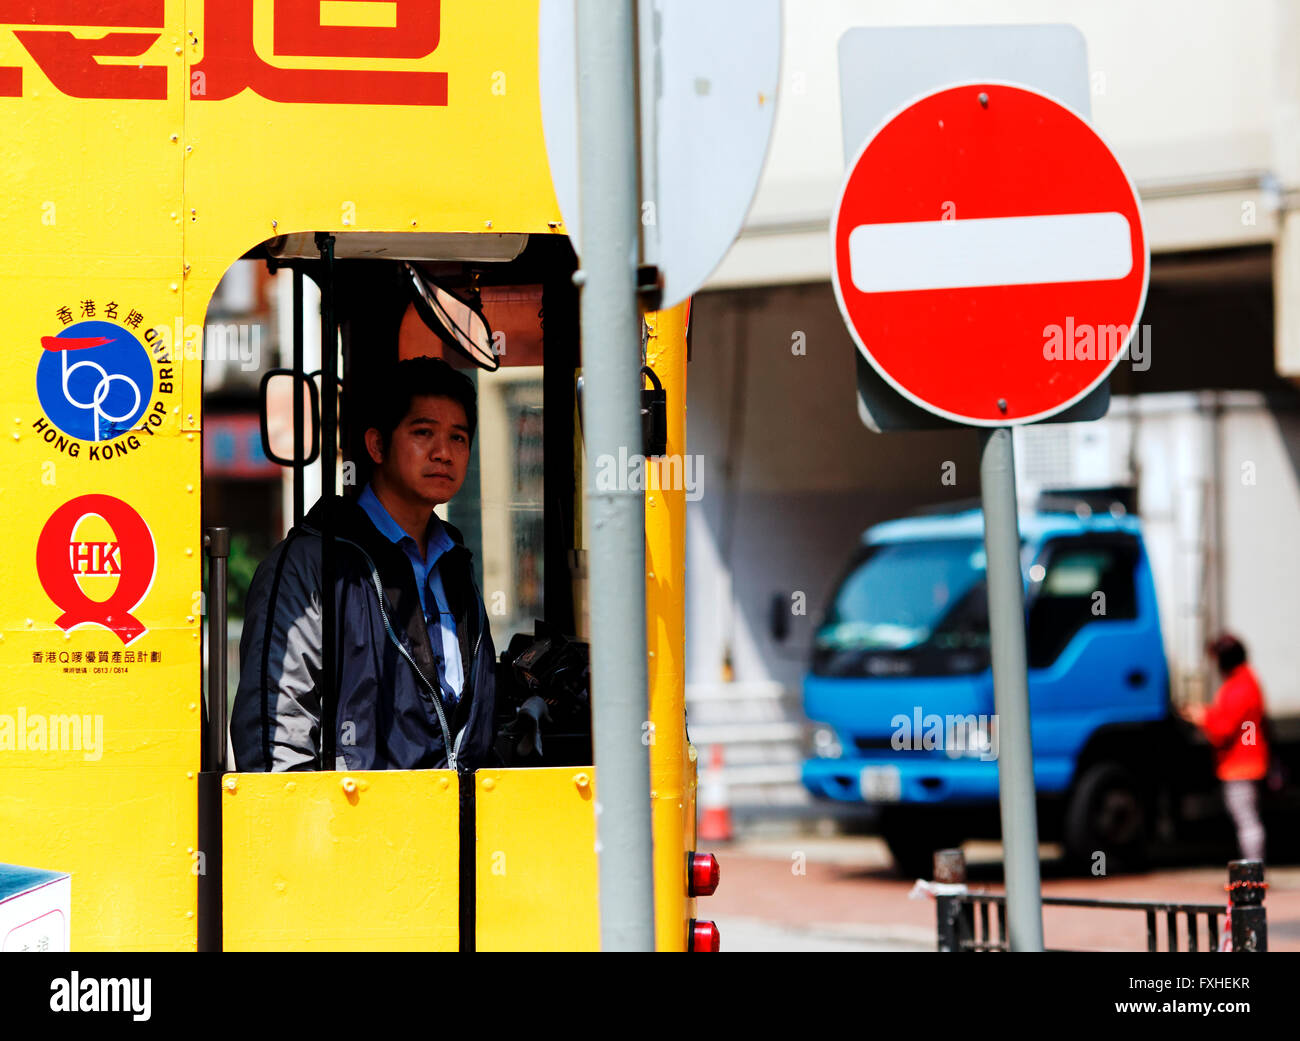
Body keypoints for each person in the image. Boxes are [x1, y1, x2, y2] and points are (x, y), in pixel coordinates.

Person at [230, 356, 496, 775]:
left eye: (459, 438)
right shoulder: (311, 564)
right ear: (377, 446)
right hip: (356, 829)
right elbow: (275, 744)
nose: (444, 453)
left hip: (461, 828)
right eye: (423, 432)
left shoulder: (454, 563)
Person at [1179, 633, 1269, 862]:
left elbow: (1223, 729)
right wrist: (1208, 713)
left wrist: (1202, 717)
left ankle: (1253, 873)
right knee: (1248, 819)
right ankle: (1253, 870)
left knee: (1247, 820)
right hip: (1245, 762)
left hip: (1240, 764)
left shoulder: (1239, 686)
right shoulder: (1246, 681)